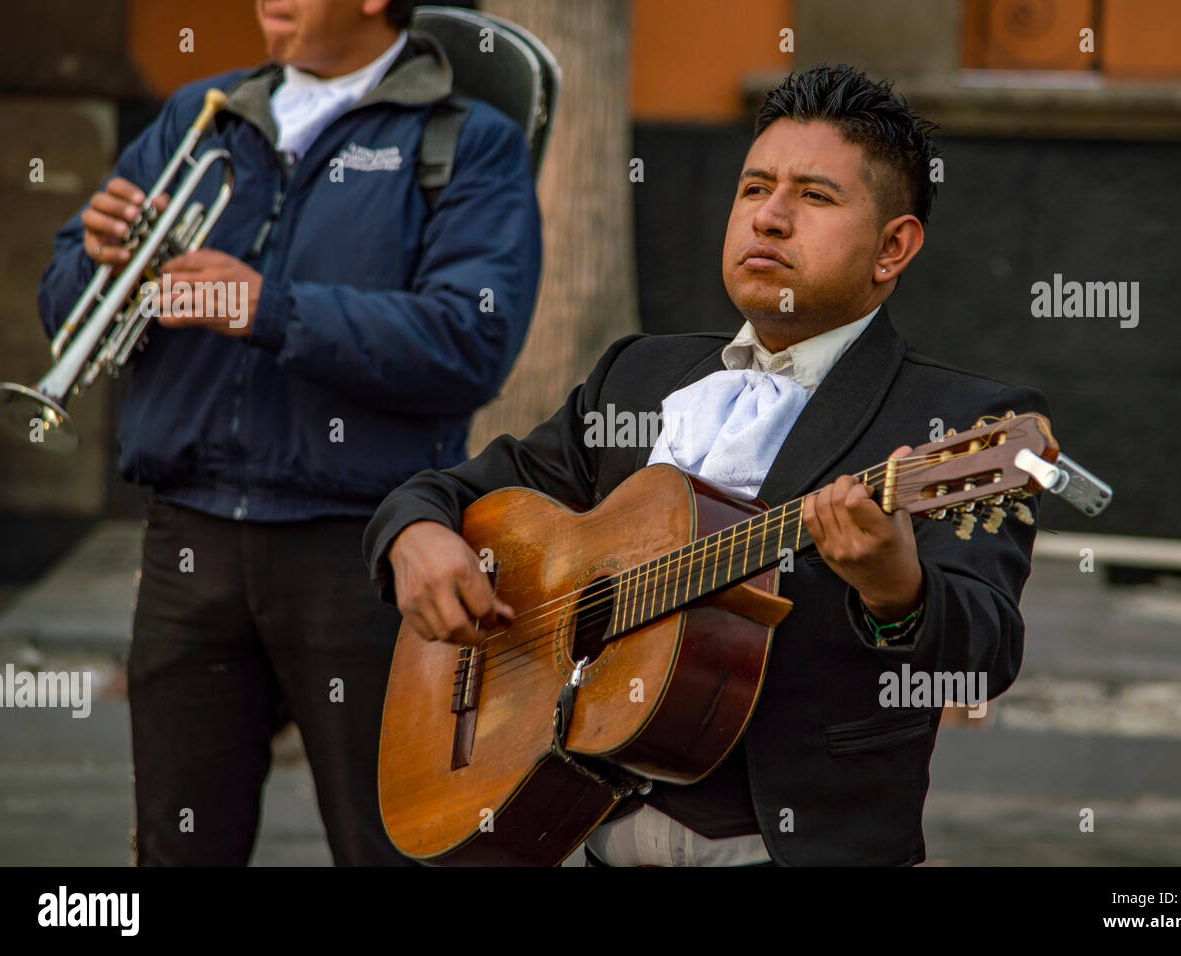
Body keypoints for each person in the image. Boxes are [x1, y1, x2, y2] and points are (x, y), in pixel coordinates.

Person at [363, 65, 1047, 866]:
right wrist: (413, 532)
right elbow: (455, 490)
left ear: (892, 247)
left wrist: (899, 591)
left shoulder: (960, 427)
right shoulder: (639, 376)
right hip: (589, 829)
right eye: (755, 188)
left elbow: (984, 654)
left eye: (815, 197)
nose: (771, 217)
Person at [37, 0, 541, 865]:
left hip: (364, 546)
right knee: (175, 848)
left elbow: (471, 340)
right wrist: (94, 259)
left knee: (391, 845)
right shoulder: (200, 117)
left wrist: (268, 308)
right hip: (188, 540)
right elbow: (63, 312)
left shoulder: (466, 139)